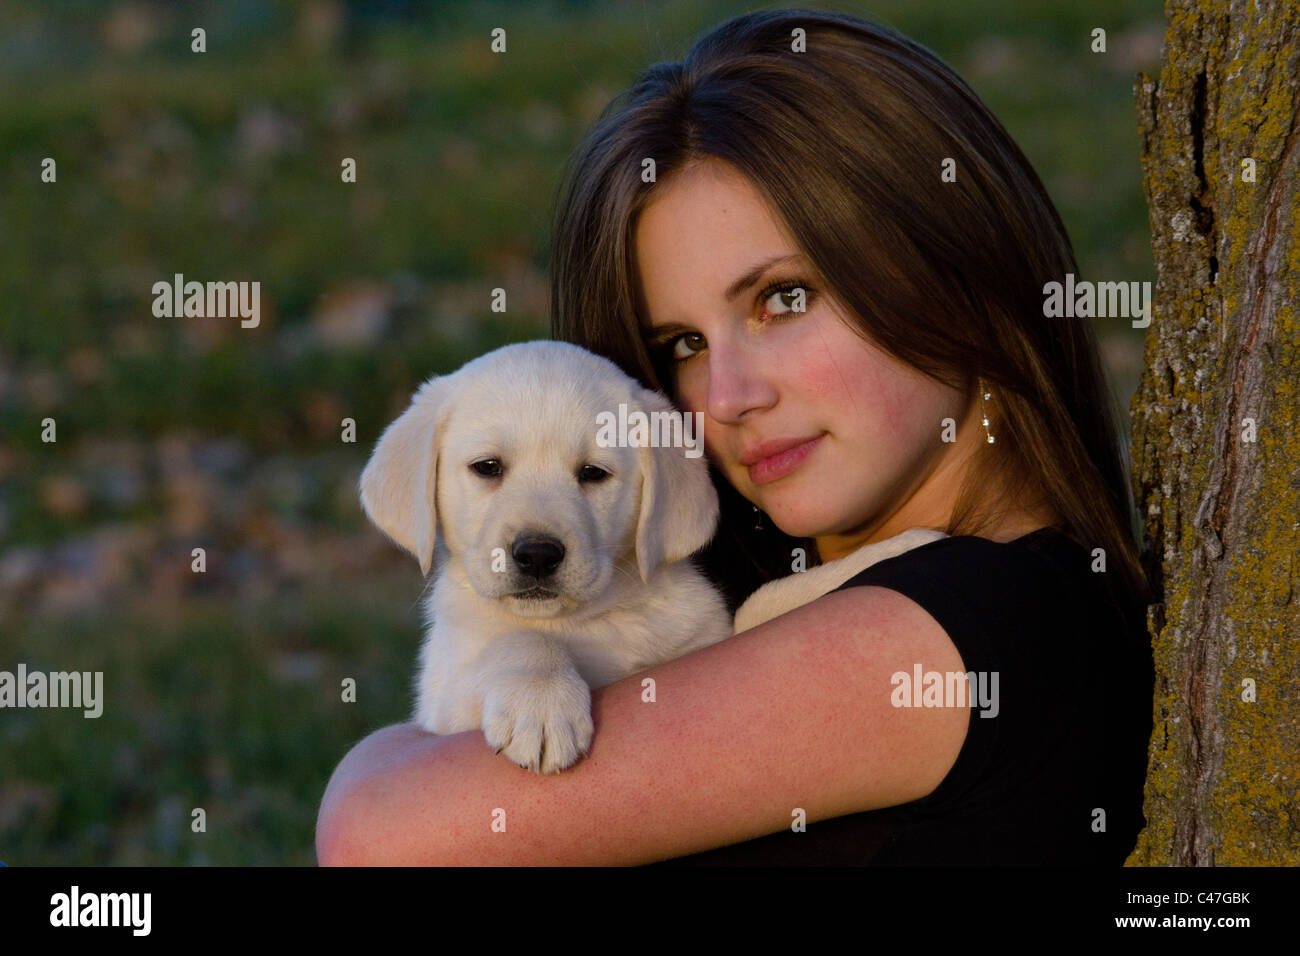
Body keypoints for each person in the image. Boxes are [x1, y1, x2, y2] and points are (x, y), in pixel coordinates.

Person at [316, 7, 1155, 866]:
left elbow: (380, 836)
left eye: (783, 299)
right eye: (683, 345)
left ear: (955, 262)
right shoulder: (802, 591)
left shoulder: (962, 634)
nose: (725, 396)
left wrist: (376, 760)